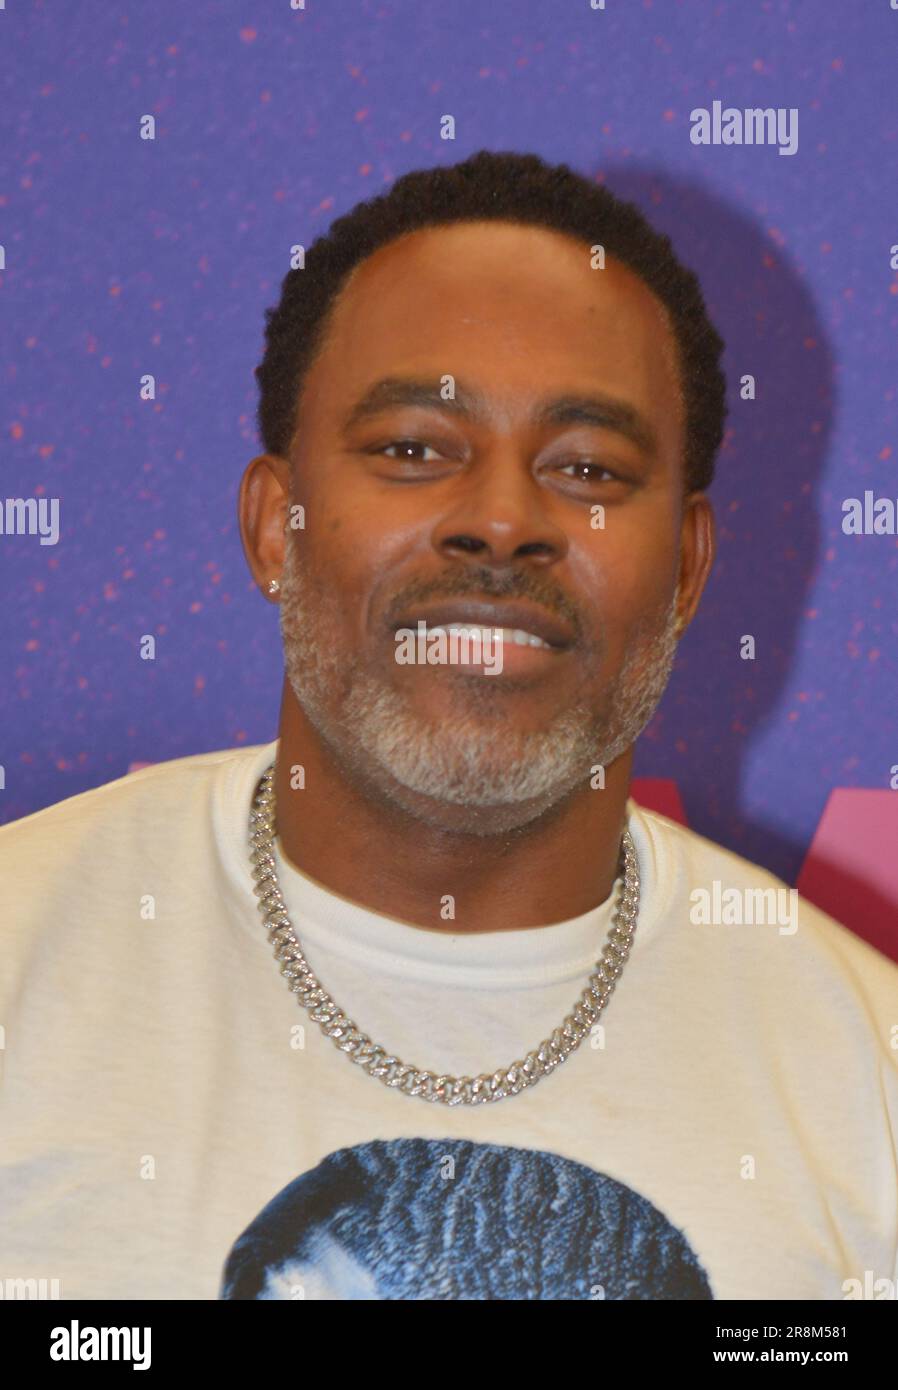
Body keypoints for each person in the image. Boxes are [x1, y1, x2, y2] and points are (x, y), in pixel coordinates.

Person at [1, 150, 895, 1302]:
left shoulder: (865, 1089)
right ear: (278, 527)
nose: (501, 519)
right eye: (413, 448)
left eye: (587, 467)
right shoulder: (22, 960)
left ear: (684, 567)